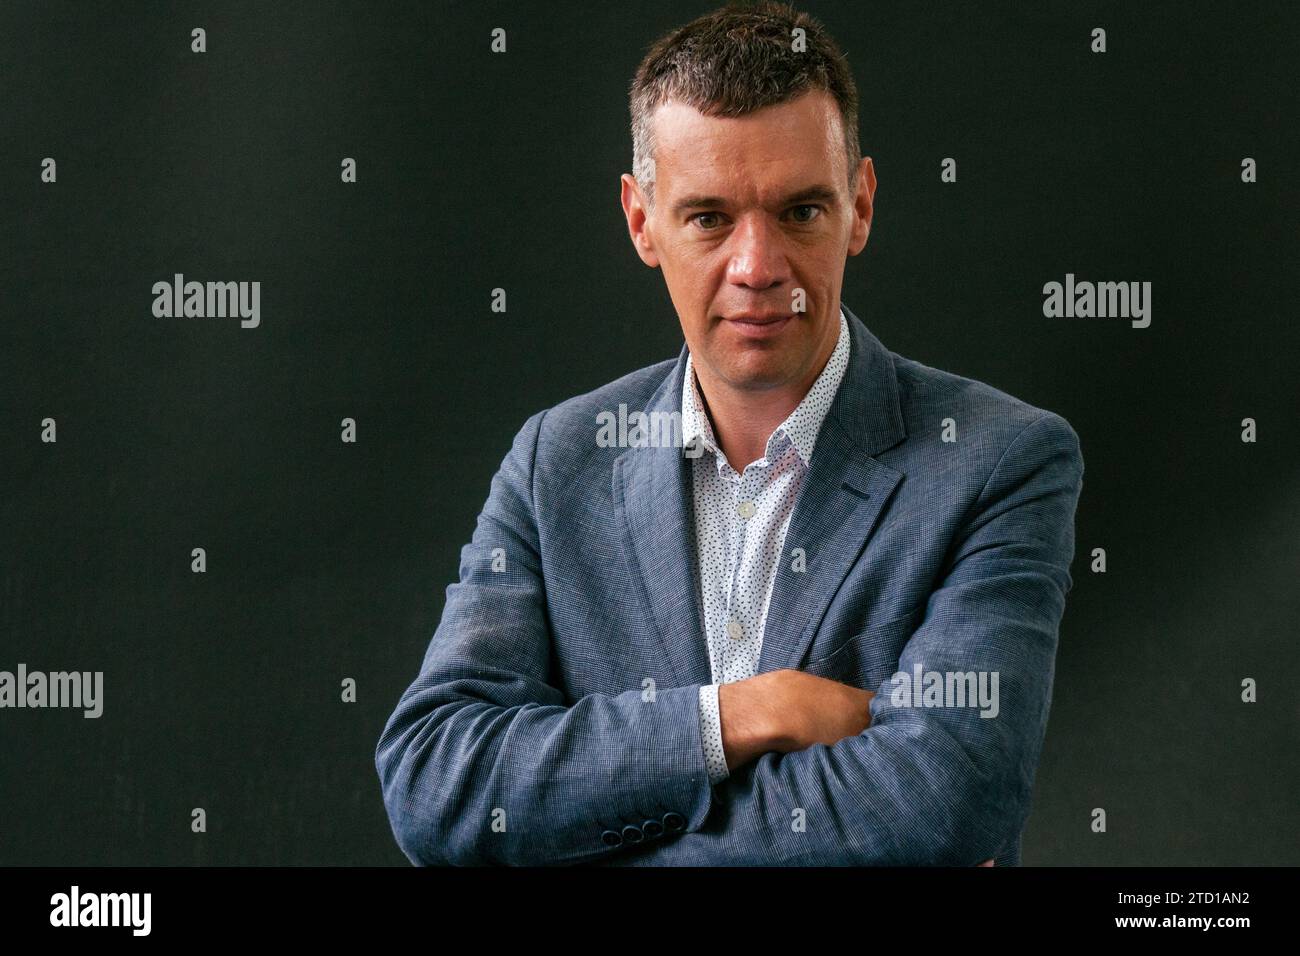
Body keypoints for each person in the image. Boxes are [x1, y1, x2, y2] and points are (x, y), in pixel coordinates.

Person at [375, 0, 1083, 866]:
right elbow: (434, 781)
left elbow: (939, 808)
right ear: (642, 222)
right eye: (709, 218)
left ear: (858, 207)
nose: (757, 268)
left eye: (800, 212)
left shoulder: (999, 462)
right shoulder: (556, 462)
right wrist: (744, 714)